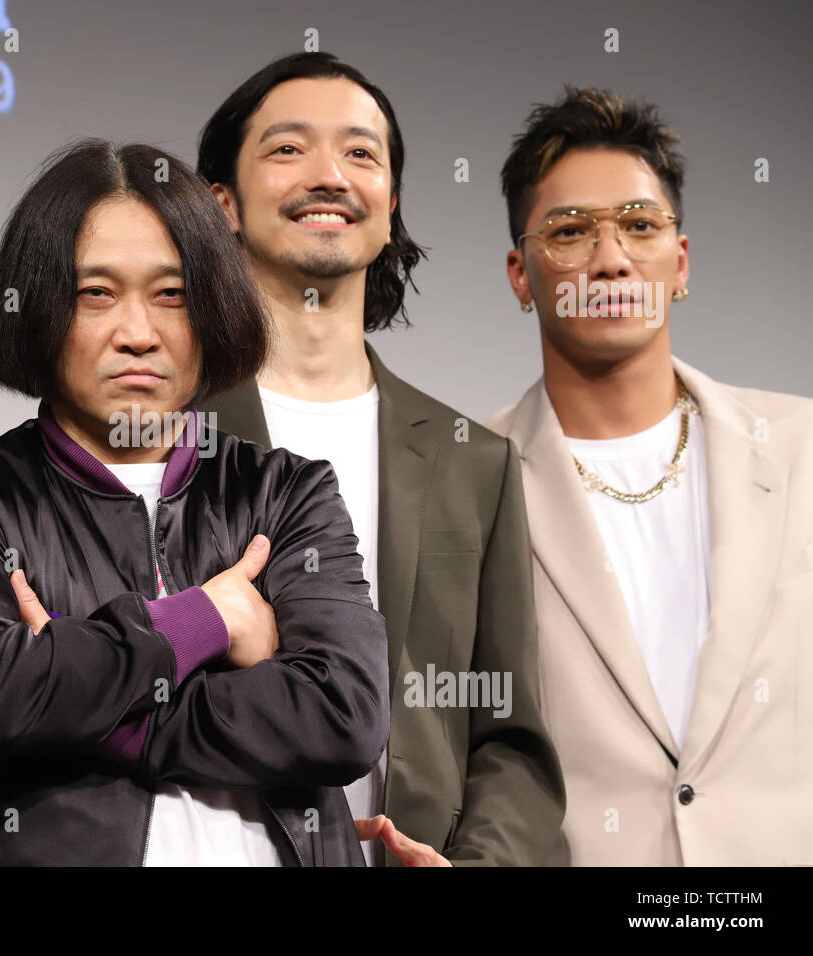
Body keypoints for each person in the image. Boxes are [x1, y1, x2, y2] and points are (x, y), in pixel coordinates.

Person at [0, 139, 388, 865]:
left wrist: (102, 704)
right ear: (39, 306)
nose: (138, 334)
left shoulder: (285, 491)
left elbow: (344, 716)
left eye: (172, 295)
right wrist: (207, 619)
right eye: (96, 294)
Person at [198, 52, 564, 866]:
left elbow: (512, 743)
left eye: (361, 154)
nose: (330, 175)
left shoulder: (476, 462)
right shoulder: (160, 431)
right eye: (288, 149)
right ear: (221, 203)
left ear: (390, 207)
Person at [488, 86, 813, 865]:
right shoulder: (467, 479)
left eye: (640, 225)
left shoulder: (803, 447)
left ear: (681, 261)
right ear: (520, 273)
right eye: (569, 231)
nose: (610, 259)